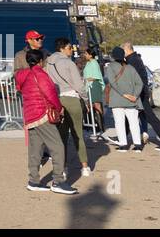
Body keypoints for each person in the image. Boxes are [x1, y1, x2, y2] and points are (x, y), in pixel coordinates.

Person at [16, 48, 76, 194]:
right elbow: (50, 93)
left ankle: (33, 181)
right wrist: (59, 108)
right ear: (41, 61)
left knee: (35, 149)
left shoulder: (22, 75)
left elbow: (20, 89)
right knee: (57, 147)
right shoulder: (41, 74)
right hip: (42, 114)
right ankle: (58, 181)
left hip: (30, 115)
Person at [45, 38, 90, 175]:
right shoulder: (68, 63)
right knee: (78, 134)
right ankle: (85, 167)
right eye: (70, 47)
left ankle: (62, 168)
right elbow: (79, 85)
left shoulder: (48, 64)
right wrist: (85, 100)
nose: (72, 50)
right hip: (71, 98)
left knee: (61, 136)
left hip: (56, 99)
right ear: (63, 48)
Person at [123, 42, 160, 150]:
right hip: (142, 92)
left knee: (148, 117)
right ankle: (123, 139)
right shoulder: (136, 59)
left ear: (126, 50)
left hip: (139, 93)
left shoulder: (132, 61)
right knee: (134, 116)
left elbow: (134, 79)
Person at [103, 46, 144, 152]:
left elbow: (112, 82)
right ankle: (138, 145)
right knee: (134, 123)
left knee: (119, 123)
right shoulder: (130, 67)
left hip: (117, 100)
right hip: (132, 100)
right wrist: (135, 95)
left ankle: (123, 145)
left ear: (113, 56)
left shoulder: (111, 67)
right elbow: (140, 83)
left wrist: (123, 94)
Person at [82, 44, 105, 140]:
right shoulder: (88, 63)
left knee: (97, 105)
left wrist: (87, 79)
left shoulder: (94, 63)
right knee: (90, 106)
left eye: (86, 54)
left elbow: (96, 76)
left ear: (90, 55)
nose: (85, 55)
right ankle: (94, 126)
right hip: (89, 85)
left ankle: (101, 127)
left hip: (94, 85)